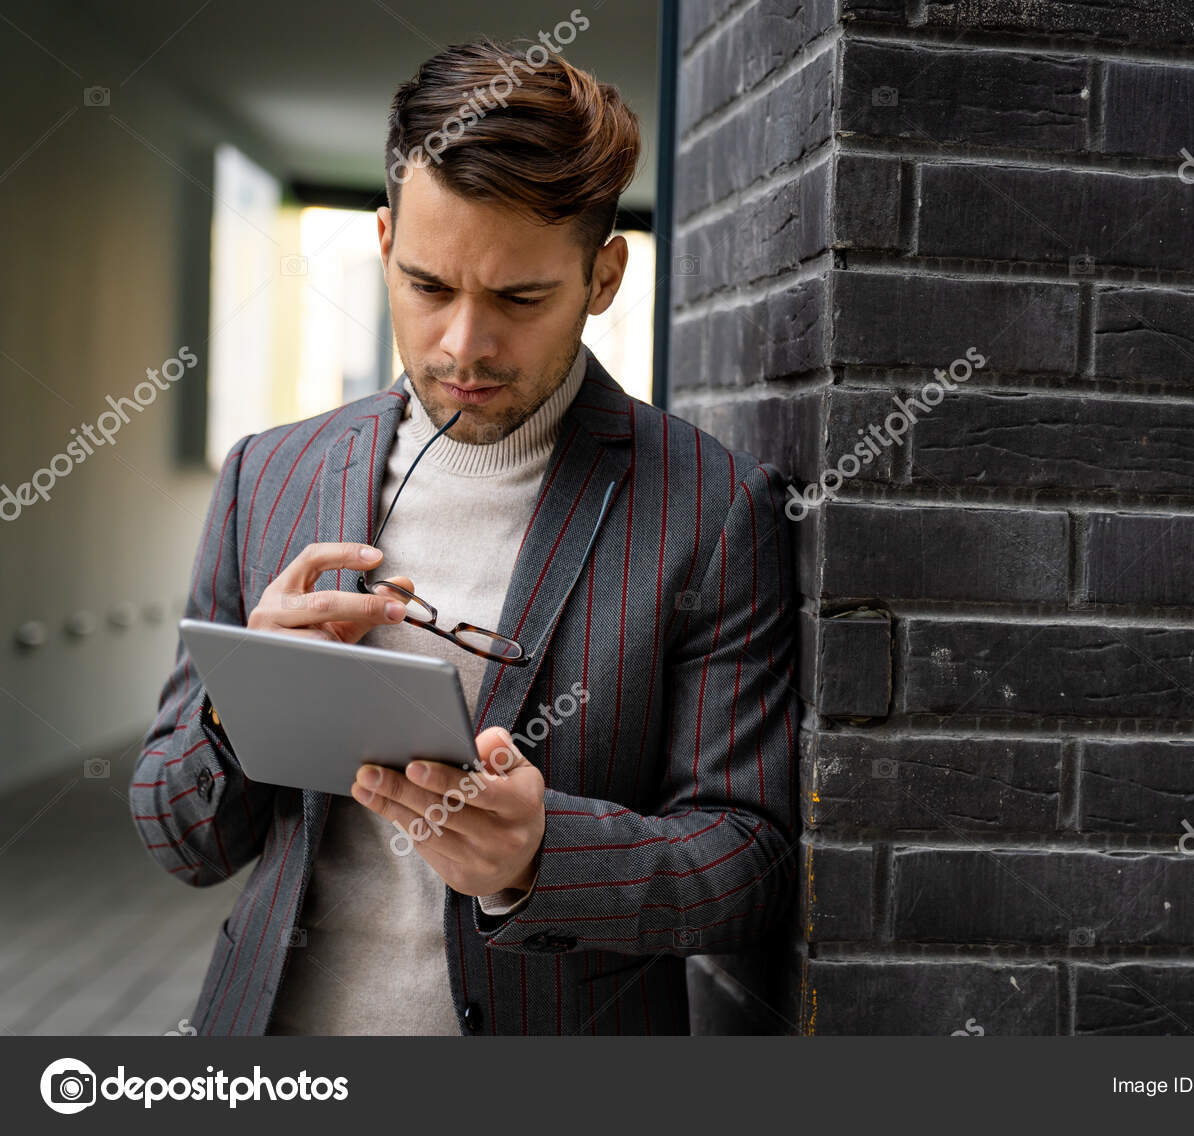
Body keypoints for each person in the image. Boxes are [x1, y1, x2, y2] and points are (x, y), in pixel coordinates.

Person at [129, 40, 799, 1036]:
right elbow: (181, 837)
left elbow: (746, 864)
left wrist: (541, 855)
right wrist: (240, 705)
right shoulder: (268, 476)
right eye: (428, 286)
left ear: (604, 274)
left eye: (520, 299)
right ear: (386, 239)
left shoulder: (712, 506)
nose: (464, 347)